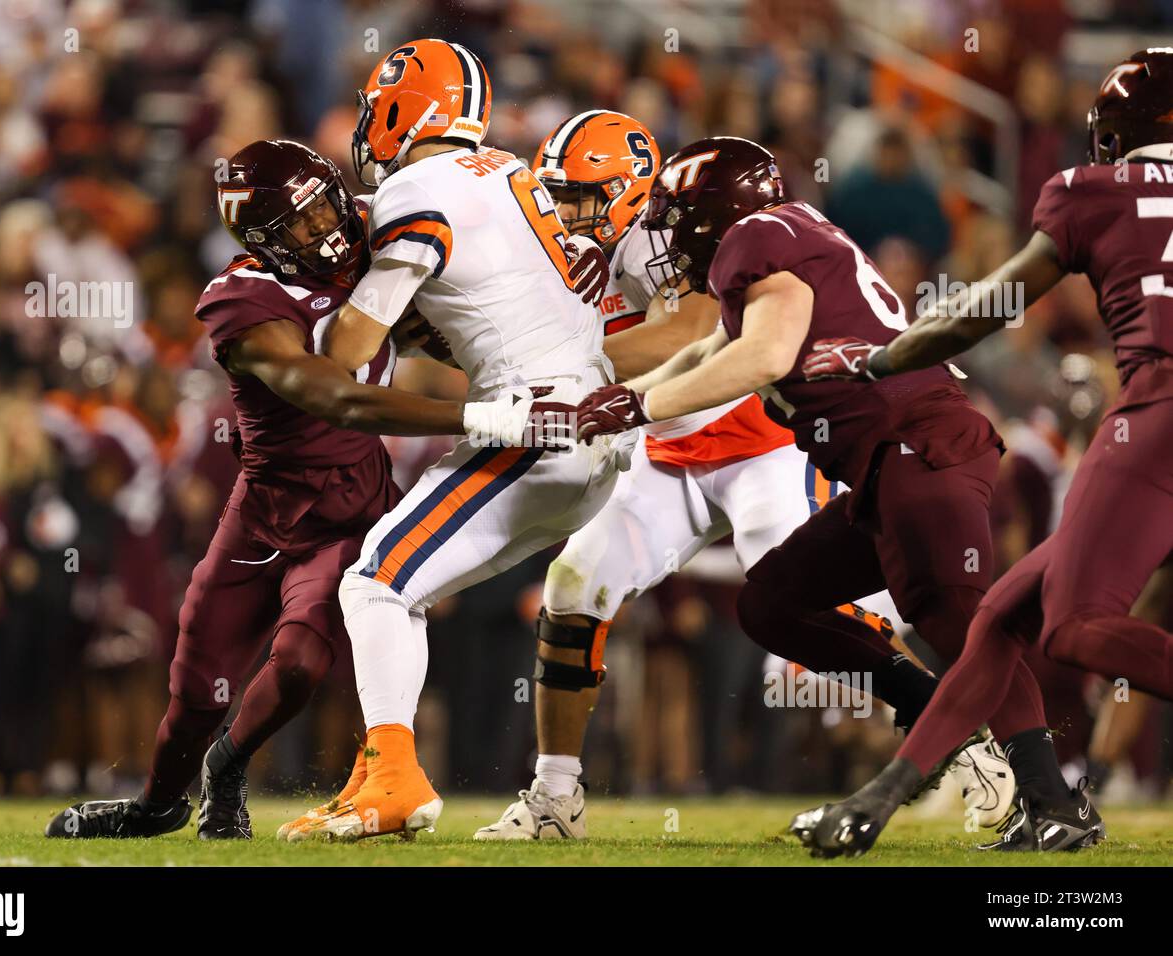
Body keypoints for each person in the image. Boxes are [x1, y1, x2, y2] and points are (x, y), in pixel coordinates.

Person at [46, 139, 571, 840]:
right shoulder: (244, 301)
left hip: (352, 509)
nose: (326, 226)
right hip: (262, 512)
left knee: (299, 663)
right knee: (197, 687)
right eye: (300, 222)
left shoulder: (380, 237)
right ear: (263, 241)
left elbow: (462, 311)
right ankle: (158, 802)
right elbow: (340, 400)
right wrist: (482, 415)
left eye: (325, 203)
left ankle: (225, 769)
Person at [571, 135, 1077, 850]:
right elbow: (707, 355)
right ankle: (928, 708)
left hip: (917, 446)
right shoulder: (791, 232)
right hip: (888, 464)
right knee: (773, 601)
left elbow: (766, 357)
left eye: (677, 213)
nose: (669, 232)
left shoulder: (753, 237)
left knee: (963, 626)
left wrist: (643, 410)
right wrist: (624, 397)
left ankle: (1051, 800)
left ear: (716, 212)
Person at [474, 111, 918, 841]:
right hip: (663, 454)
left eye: (581, 194)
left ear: (630, 190)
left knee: (806, 607)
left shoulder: (683, 230)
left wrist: (575, 366)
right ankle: (555, 796)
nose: (566, 211)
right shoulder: (557, 248)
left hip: (760, 446)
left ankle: (958, 739)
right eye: (556, 193)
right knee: (573, 585)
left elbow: (687, 333)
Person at [786, 48, 1173, 857]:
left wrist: (880, 356)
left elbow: (986, 307)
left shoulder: (1091, 192)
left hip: (1159, 419)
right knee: (1000, 616)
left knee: (1073, 627)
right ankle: (883, 802)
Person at [277, 39, 626, 842]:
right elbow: (485, 309)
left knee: (373, 582)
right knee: (404, 585)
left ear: (406, 108)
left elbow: (350, 350)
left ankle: (396, 778)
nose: (369, 125)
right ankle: (376, 770)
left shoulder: (414, 189)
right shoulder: (510, 171)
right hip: (593, 430)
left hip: (535, 425)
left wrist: (334, 297)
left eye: (377, 107)